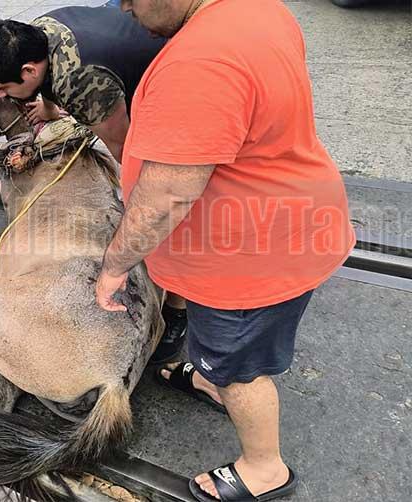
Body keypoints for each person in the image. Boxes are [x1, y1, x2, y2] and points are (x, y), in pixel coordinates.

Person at [95, 1, 355, 501]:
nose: (123, 6)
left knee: (240, 367)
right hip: (289, 217)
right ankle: (212, 378)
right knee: (223, 351)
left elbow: (167, 193)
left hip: (247, 260)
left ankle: (264, 468)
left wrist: (115, 266)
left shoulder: (199, 61)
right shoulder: (254, 9)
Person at [0, 8, 189, 364]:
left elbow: (126, 150)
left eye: (2, 88)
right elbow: (50, 78)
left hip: (172, 78)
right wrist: (52, 111)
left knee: (165, 206)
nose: (2, 96)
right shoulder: (31, 37)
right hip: (125, 61)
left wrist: (138, 215)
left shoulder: (83, 83)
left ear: (27, 72)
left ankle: (177, 307)